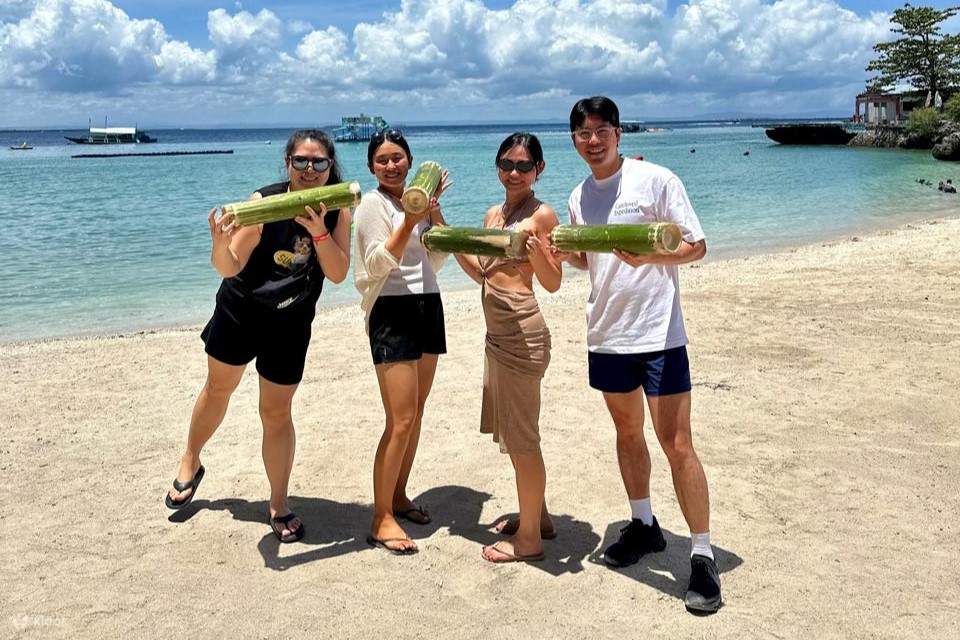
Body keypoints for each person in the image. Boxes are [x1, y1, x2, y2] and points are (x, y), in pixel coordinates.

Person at [554, 96, 721, 612]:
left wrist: (653, 255)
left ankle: (701, 554)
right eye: (583, 133)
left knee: (677, 445)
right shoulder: (579, 195)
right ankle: (644, 523)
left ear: (619, 134)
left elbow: (696, 246)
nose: (594, 140)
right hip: (606, 334)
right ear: (575, 140)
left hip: (658, 336)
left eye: (602, 130)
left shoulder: (657, 181)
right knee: (627, 433)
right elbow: (590, 260)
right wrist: (559, 252)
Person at [164, 129, 352, 544]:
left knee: (276, 412)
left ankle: (279, 503)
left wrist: (319, 231)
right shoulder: (263, 204)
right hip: (241, 309)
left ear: (329, 167)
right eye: (300, 161)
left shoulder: (339, 207)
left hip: (291, 320)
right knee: (218, 388)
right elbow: (229, 265)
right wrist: (217, 242)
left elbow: (338, 274)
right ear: (287, 164)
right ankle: (190, 459)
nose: (309, 170)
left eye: (319, 163)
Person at [452, 133, 562, 563]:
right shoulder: (494, 214)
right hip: (496, 336)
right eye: (507, 164)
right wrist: (442, 228)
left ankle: (530, 540)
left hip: (522, 334)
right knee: (514, 434)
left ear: (539, 170)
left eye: (523, 165)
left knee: (523, 440)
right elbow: (483, 274)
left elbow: (552, 283)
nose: (514, 173)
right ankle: (541, 518)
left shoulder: (542, 215)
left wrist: (537, 255)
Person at [354, 130, 451, 554]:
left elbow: (437, 259)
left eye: (398, 158)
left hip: (427, 306)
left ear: (410, 162)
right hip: (391, 312)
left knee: (417, 412)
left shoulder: (416, 202)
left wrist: (433, 212)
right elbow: (374, 265)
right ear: (371, 166)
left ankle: (397, 495)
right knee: (400, 419)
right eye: (383, 160)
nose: (391, 165)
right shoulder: (371, 206)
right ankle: (381, 518)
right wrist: (410, 221)